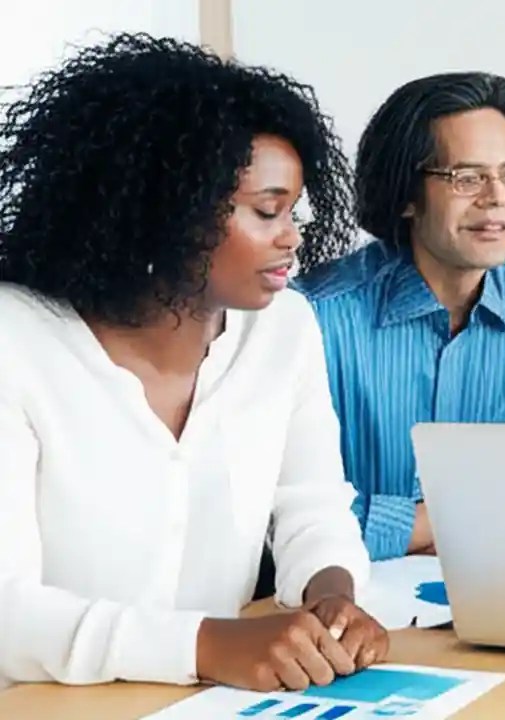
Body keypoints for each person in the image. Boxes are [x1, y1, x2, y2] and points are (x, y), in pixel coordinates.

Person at [0, 33, 388, 692]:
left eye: (295, 209)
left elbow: (314, 509)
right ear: (165, 211)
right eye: (267, 211)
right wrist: (207, 643)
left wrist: (333, 595)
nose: (292, 236)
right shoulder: (17, 340)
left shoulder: (285, 329)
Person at [294, 72, 505, 562]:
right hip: (346, 596)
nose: (497, 196)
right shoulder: (313, 316)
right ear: (407, 196)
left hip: (494, 577)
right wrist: (434, 524)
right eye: (467, 178)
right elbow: (280, 515)